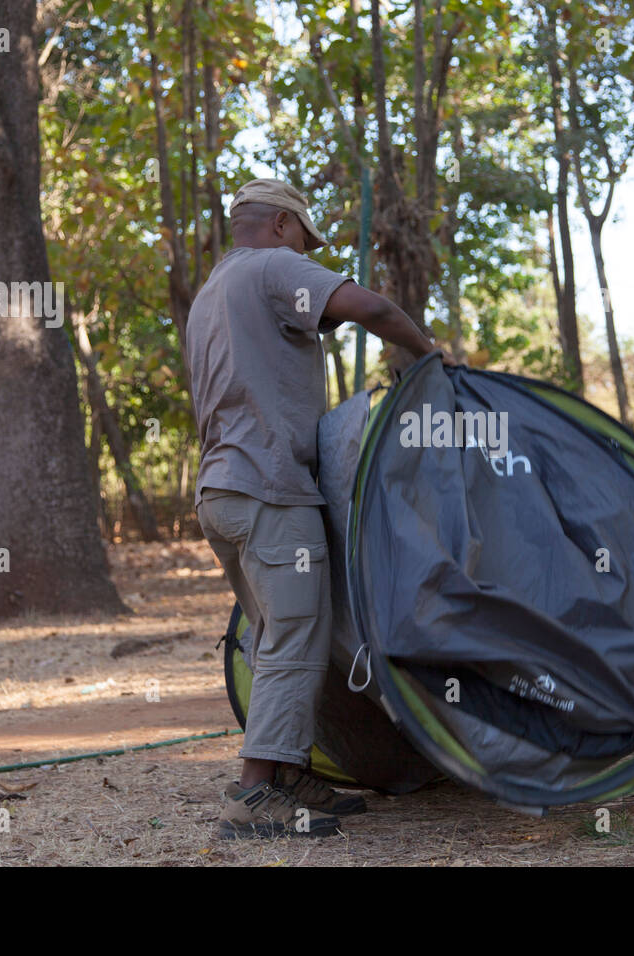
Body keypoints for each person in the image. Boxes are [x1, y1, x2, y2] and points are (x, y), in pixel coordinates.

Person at [187, 178, 450, 839]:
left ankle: (288, 773)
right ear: (281, 225)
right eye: (306, 236)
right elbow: (374, 309)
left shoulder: (211, 293)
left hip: (221, 493)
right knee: (295, 636)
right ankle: (253, 796)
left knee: (284, 630)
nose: (309, 251)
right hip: (270, 487)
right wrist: (429, 359)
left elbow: (318, 322)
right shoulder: (276, 266)